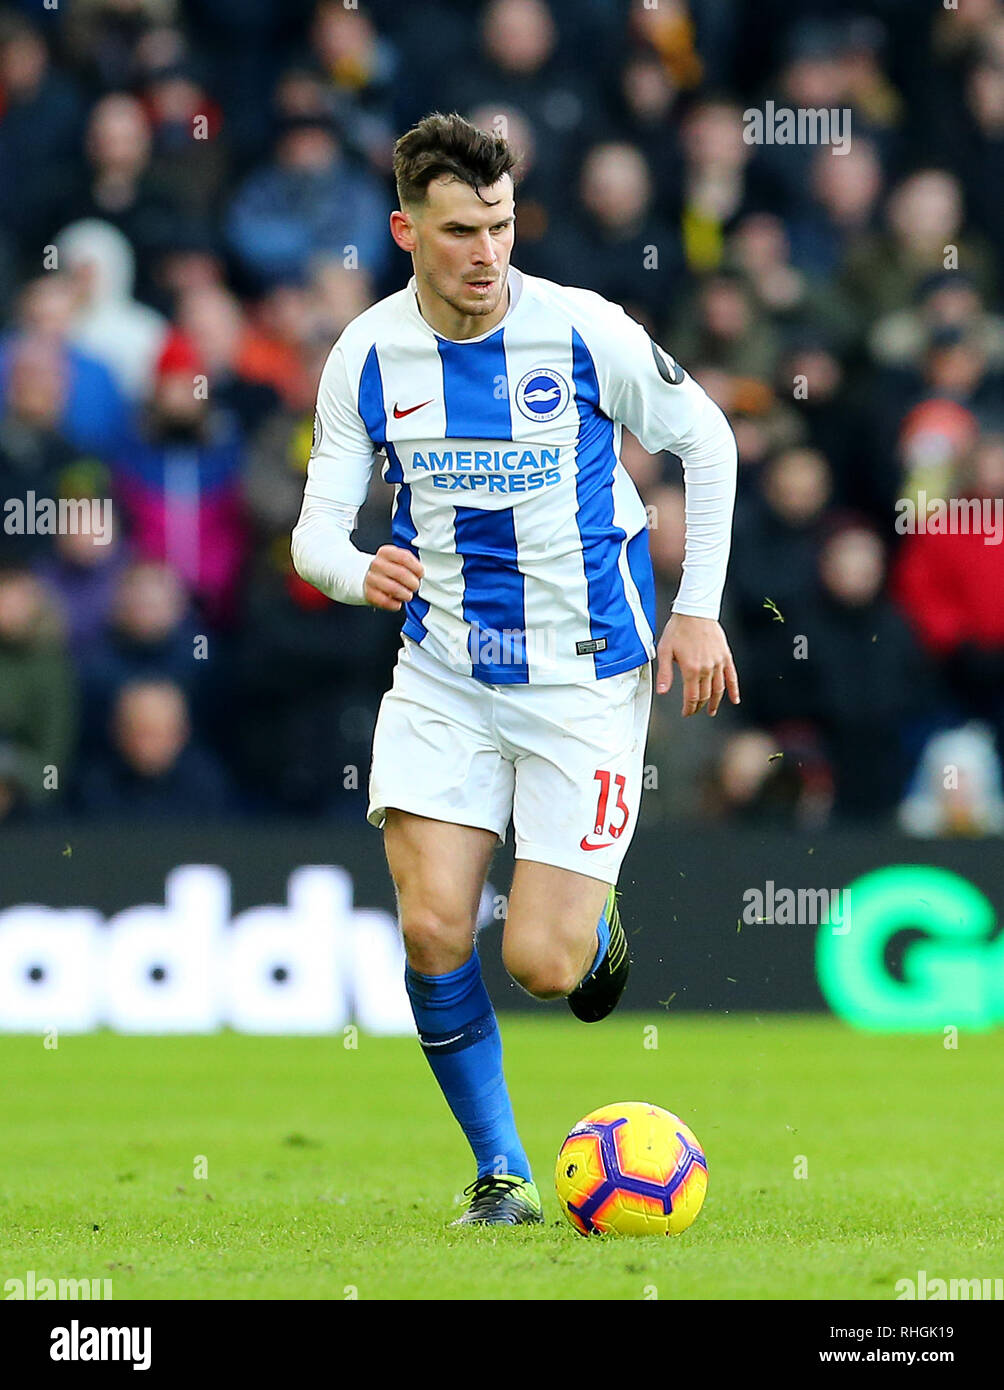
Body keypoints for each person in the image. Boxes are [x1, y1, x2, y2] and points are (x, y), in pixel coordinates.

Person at [291, 112, 739, 1226]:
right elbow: (312, 532)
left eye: (496, 224)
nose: (483, 251)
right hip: (443, 674)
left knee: (543, 963)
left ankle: (591, 931)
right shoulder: (365, 356)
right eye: (457, 230)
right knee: (434, 928)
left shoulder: (583, 331)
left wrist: (698, 612)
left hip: (584, 679)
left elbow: (708, 442)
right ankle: (502, 1173)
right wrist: (356, 575)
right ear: (404, 230)